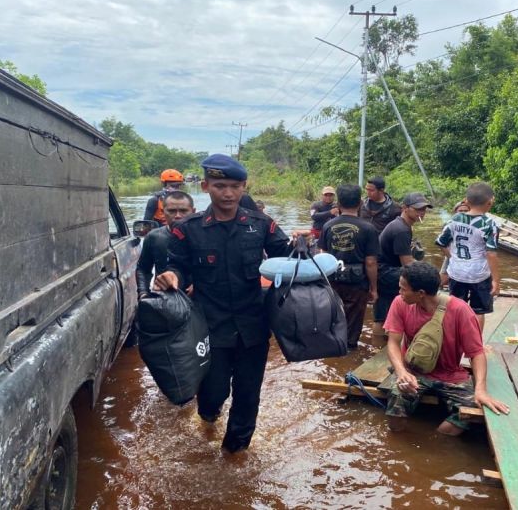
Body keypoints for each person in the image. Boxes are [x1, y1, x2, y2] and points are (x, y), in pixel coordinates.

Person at [154, 154, 310, 453]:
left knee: (248, 395)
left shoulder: (261, 224)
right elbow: (177, 266)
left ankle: (234, 453)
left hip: (253, 327)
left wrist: (301, 246)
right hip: (210, 328)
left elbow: (285, 258)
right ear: (205, 186)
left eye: (235, 186)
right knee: (213, 393)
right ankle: (208, 419)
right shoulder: (187, 228)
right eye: (220, 186)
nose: (228, 194)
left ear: (244, 187)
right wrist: (170, 276)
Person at [385, 262, 509, 435]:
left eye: (403, 289)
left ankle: (436, 441)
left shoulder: (460, 310)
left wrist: (480, 389)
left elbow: (476, 353)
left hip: (451, 375)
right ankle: (403, 442)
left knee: (471, 408)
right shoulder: (399, 303)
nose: (399, 293)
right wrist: (401, 372)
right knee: (397, 399)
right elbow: (392, 342)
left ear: (420, 294)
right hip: (413, 371)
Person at [318, 184, 380, 349]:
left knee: (333, 317)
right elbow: (371, 262)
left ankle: (331, 352)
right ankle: (349, 355)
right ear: (360, 203)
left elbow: (323, 255)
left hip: (333, 280)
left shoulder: (327, 226)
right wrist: (374, 288)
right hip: (357, 284)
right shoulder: (369, 228)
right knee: (353, 324)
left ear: (338, 204)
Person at [435, 183, 500, 331]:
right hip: (479, 274)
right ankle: (476, 345)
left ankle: (455, 340)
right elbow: (491, 254)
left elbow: (441, 242)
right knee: (478, 311)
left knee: (456, 307)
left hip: (457, 272)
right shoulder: (489, 225)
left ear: (466, 201)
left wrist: (453, 257)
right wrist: (496, 280)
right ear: (490, 202)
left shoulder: (455, 219)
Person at [373, 192, 432, 337]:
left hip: (384, 270)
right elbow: (407, 264)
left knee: (382, 312)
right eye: (418, 209)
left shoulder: (401, 224)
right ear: (405, 208)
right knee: (422, 283)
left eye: (424, 209)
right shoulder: (401, 230)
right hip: (386, 272)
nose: (422, 213)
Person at [135, 191, 195, 300]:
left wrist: (201, 285)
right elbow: (143, 269)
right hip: (165, 297)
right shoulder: (154, 237)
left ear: (193, 211)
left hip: (197, 297)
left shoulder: (203, 236)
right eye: (171, 211)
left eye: (183, 211)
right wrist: (143, 293)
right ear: (163, 212)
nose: (177, 216)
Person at [439, 200, 470, 288]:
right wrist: (452, 258)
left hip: (469, 257)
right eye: (460, 211)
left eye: (466, 211)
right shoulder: (450, 225)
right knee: (442, 279)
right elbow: (442, 244)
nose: (463, 213)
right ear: (455, 212)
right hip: (452, 255)